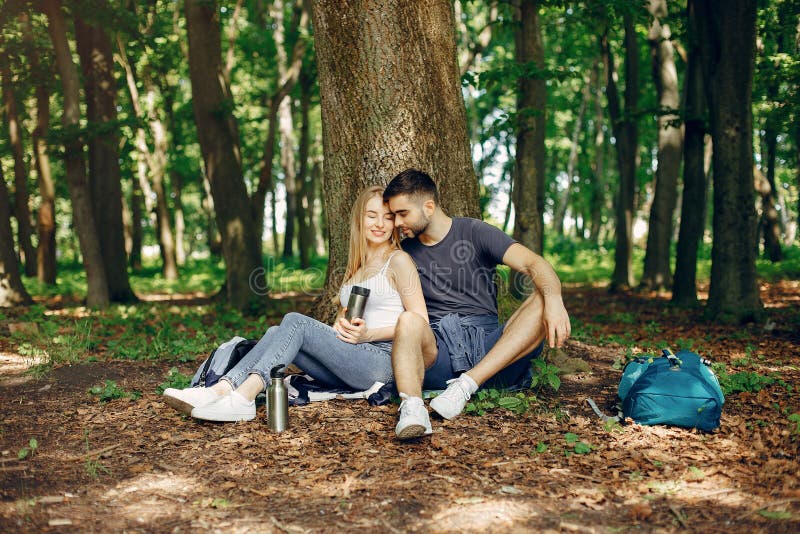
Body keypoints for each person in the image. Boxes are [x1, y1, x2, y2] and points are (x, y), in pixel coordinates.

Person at [163, 186, 427, 422]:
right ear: (360, 219)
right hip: (351, 360)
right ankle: (219, 390)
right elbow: (345, 320)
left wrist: (369, 334)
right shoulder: (357, 267)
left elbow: (420, 323)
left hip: (384, 363)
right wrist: (341, 328)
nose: (380, 223)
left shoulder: (398, 261)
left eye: (387, 217)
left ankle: (243, 399)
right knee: (275, 332)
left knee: (294, 321)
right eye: (372, 215)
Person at [383, 169, 571, 440]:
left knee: (543, 297)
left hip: (493, 352)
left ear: (429, 207)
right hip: (439, 354)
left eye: (402, 213)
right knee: (409, 320)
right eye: (394, 215)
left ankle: (466, 385)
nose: (397, 222)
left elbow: (534, 263)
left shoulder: (474, 231)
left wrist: (554, 300)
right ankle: (413, 409)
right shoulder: (404, 251)